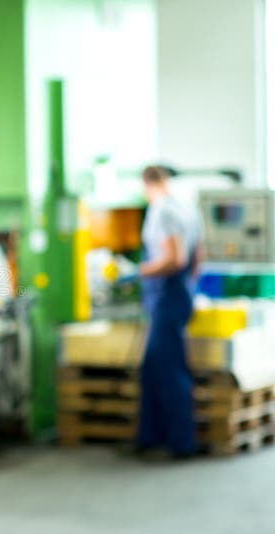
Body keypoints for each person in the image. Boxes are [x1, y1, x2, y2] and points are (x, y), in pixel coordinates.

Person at [136, 165, 204, 458]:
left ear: (147, 183)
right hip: (181, 293)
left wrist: (139, 271)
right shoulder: (188, 207)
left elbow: (176, 258)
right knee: (151, 366)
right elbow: (198, 256)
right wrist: (187, 287)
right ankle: (150, 436)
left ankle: (182, 442)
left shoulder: (161, 211)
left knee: (170, 369)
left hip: (166, 296)